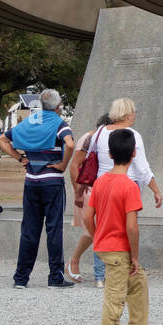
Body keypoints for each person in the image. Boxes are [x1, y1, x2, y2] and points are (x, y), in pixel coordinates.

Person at [69, 98, 163, 287]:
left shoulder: (99, 133)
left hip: (102, 184)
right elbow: (142, 167)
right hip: (127, 182)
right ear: (128, 114)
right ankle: (128, 264)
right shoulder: (133, 135)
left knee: (103, 225)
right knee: (128, 226)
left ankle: (100, 275)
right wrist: (156, 189)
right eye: (134, 111)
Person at [85, 128, 157, 325]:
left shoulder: (100, 181)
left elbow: (88, 216)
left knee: (139, 281)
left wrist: (97, 235)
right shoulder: (129, 187)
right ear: (134, 153)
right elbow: (132, 227)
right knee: (114, 303)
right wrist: (134, 256)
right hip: (120, 251)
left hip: (106, 247)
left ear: (110, 153)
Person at [0, 89, 75, 286]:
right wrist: (63, 164)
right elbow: (70, 144)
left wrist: (20, 158)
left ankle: (21, 278)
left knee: (29, 230)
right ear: (58, 107)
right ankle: (55, 277)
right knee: (53, 229)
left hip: (31, 181)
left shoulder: (31, 121)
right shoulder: (59, 123)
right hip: (53, 181)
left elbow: (1, 140)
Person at [67, 113, 112, 284]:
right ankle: (74, 261)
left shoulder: (103, 139)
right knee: (93, 229)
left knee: (98, 229)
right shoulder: (89, 138)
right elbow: (75, 165)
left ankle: (99, 270)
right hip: (88, 188)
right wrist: (77, 191)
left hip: (102, 188)